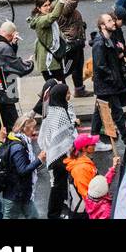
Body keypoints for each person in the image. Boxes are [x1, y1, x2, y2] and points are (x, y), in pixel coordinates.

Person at [0, 21, 34, 139]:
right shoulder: (2, 47)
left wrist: (12, 45)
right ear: (10, 35)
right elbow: (18, 68)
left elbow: (4, 62)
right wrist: (30, 63)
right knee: (13, 124)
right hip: (4, 92)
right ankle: (16, 146)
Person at [90, 12, 126, 144]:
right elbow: (100, 66)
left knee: (99, 112)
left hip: (109, 83)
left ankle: (93, 139)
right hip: (107, 84)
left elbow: (117, 55)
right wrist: (114, 78)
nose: (113, 22)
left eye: (112, 20)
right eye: (109, 21)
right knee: (117, 112)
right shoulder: (100, 43)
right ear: (102, 26)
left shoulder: (111, 38)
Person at [37, 81, 78, 219]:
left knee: (59, 186)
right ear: (61, 95)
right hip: (58, 158)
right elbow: (65, 134)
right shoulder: (60, 113)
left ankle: (58, 211)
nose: (69, 95)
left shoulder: (52, 109)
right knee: (57, 188)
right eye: (67, 93)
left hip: (55, 155)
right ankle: (53, 214)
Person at [0, 113, 46, 220]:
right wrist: (39, 160)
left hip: (23, 192)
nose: (34, 131)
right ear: (24, 128)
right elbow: (22, 170)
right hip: (15, 195)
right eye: (33, 127)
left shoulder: (21, 141)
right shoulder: (18, 147)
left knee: (33, 216)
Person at [47, 0, 88, 95]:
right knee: (67, 69)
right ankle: (58, 89)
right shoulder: (58, 6)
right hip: (71, 43)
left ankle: (79, 89)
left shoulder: (60, 2)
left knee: (78, 66)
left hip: (77, 41)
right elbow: (72, 3)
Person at [28, 0, 68, 80]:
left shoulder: (45, 13)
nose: (48, 7)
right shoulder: (42, 20)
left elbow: (54, 5)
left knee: (59, 87)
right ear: (39, 8)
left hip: (53, 58)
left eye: (48, 4)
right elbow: (54, 15)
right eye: (45, 6)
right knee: (57, 87)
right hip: (48, 61)